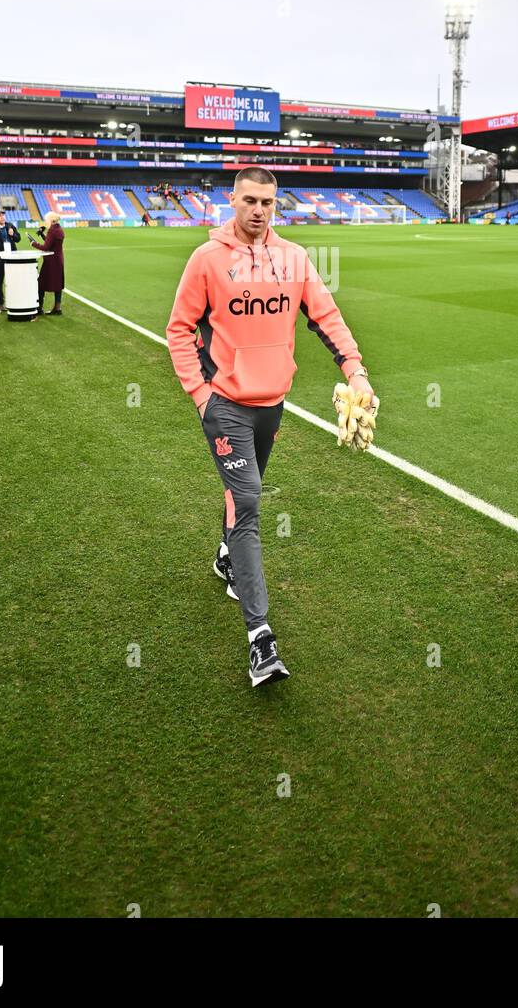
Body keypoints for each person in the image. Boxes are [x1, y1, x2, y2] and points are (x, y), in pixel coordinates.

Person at [166, 165, 374, 688]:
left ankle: (224, 557)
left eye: (268, 202)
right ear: (232, 200)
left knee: (241, 499)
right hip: (226, 405)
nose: (259, 210)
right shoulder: (207, 259)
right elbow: (179, 329)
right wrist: (201, 395)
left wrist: (357, 372)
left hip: (272, 403)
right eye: (250, 200)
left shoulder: (294, 259)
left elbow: (327, 318)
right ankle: (260, 638)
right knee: (251, 500)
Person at [30, 212, 65, 315]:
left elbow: (46, 247)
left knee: (41, 283)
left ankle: (39, 308)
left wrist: (33, 243)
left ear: (51, 220)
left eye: (46, 220)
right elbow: (51, 243)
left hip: (51, 261)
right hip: (58, 260)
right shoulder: (59, 229)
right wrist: (42, 235)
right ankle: (57, 308)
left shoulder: (52, 231)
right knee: (58, 284)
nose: (45, 222)